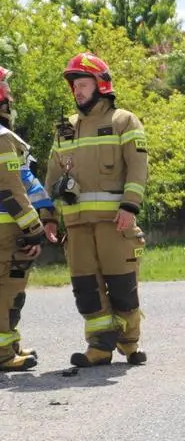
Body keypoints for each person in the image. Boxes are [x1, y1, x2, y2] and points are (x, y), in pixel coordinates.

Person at [42, 53, 149, 367]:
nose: (77, 91)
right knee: (86, 288)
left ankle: (129, 343)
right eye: (74, 85)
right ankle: (100, 347)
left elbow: (138, 167)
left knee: (122, 288)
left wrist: (130, 206)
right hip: (76, 225)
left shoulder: (124, 121)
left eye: (83, 84)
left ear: (101, 85)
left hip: (114, 222)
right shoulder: (64, 128)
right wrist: (48, 216)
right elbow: (51, 174)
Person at [0, 66, 52, 371]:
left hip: (10, 227)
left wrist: (47, 210)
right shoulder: (3, 138)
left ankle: (10, 345)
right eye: (7, 90)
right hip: (8, 231)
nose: (12, 97)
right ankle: (4, 354)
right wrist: (33, 228)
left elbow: (26, 180)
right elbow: (10, 190)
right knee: (7, 290)